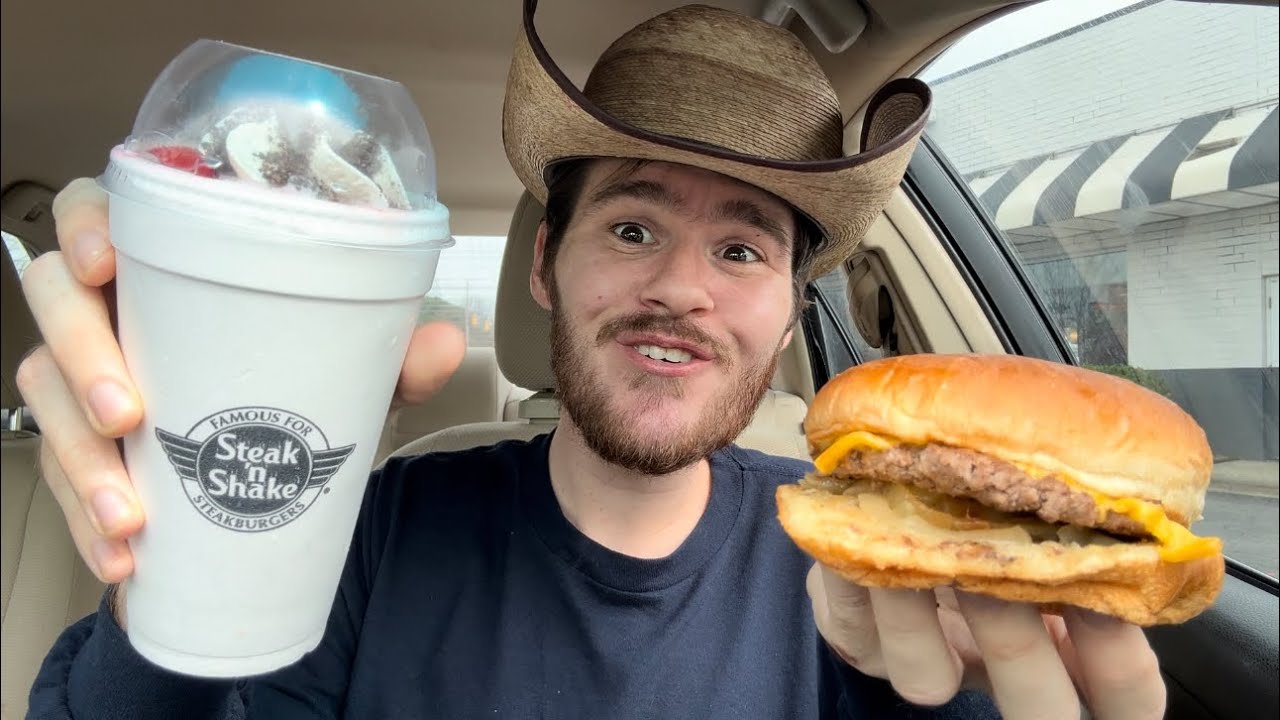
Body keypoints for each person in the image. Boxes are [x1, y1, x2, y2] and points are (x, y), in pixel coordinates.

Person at [20, 3, 1165, 718]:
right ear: (541, 268)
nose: (680, 286)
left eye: (739, 248)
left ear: (784, 319)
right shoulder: (362, 533)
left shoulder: (862, 583)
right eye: (630, 227)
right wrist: (188, 539)